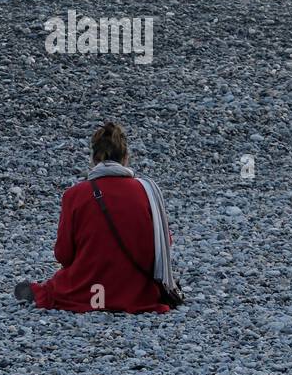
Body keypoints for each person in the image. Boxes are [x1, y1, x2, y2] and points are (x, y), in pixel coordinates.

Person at [16, 122, 180, 313]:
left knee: (57, 288)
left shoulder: (74, 195)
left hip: (90, 288)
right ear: (126, 158)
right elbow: (164, 244)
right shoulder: (148, 191)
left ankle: (45, 294)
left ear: (94, 159)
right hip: (138, 292)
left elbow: (64, 254)